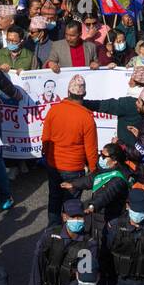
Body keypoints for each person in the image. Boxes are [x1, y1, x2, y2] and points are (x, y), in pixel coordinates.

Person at [41, 74, 99, 226]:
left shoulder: (54, 110)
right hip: (74, 168)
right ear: (84, 94)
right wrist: (94, 172)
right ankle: (69, 234)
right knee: (71, 204)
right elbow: (91, 149)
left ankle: (52, 231)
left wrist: (46, 157)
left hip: (54, 164)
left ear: (68, 93)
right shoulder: (86, 118)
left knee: (54, 197)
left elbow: (45, 137)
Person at [25, 199, 99, 285]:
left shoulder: (88, 245)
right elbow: (37, 268)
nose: (77, 220)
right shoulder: (50, 236)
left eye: (80, 217)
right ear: (64, 217)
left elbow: (85, 278)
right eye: (73, 217)